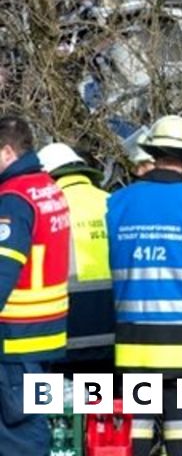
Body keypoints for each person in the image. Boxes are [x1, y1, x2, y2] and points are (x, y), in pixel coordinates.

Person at [106, 115, 182, 456]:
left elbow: (114, 259)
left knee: (138, 428)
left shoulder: (117, 202)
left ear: (154, 153)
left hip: (133, 340)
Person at [0, 116, 70, 455]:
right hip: (44, 337)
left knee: (17, 434)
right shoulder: (48, 187)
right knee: (31, 423)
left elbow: (2, 270)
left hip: (15, 340)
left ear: (8, 152)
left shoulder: (13, 199)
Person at [38, 143, 114, 372]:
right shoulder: (112, 202)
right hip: (117, 327)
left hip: (65, 331)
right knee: (113, 403)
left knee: (56, 404)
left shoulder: (45, 209)